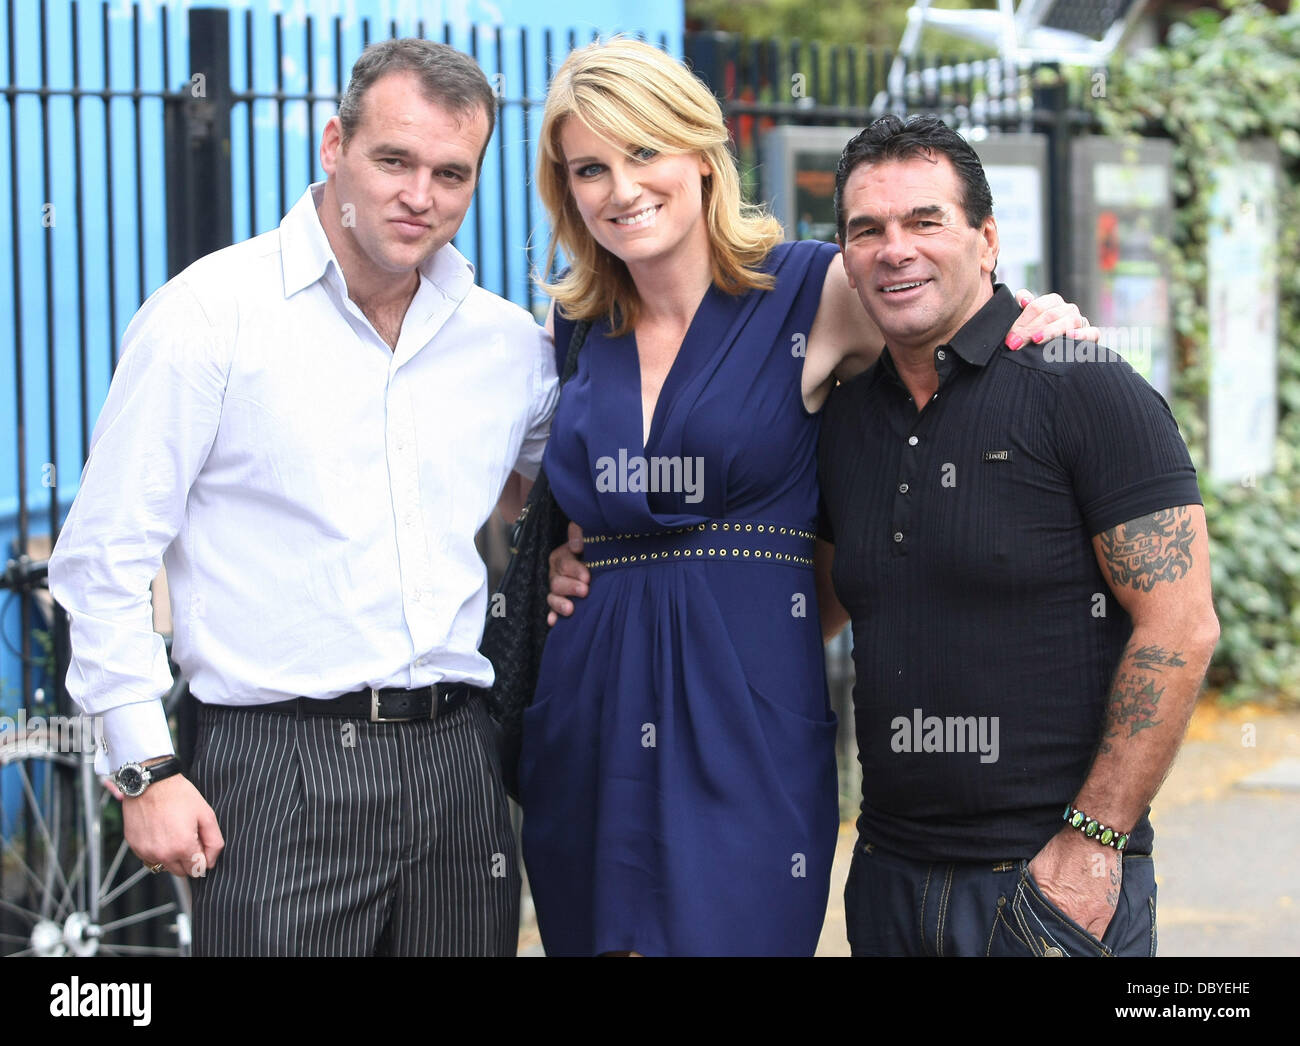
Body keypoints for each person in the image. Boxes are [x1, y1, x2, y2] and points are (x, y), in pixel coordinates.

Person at [528, 39, 1094, 957]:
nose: (620, 188)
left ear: (701, 157)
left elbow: (949, 314)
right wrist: (558, 555)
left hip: (745, 708)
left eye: (642, 152)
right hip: (591, 703)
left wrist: (1041, 312)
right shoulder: (571, 324)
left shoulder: (809, 291)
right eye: (590, 168)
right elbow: (539, 493)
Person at [47, 39, 556, 956]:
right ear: (334, 145)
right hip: (272, 765)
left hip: (457, 765)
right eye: (393, 160)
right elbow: (102, 559)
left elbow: (571, 483)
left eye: (451, 173)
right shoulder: (209, 316)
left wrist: (569, 553)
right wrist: (143, 770)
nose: (420, 196)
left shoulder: (507, 345)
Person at [815, 114, 1219, 956]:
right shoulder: (844, 420)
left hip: (1047, 878)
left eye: (926, 220)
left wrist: (1093, 839)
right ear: (846, 259)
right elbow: (813, 607)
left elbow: (1180, 625)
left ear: (987, 237)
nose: (895, 248)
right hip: (888, 873)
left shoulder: (1085, 386)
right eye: (868, 229)